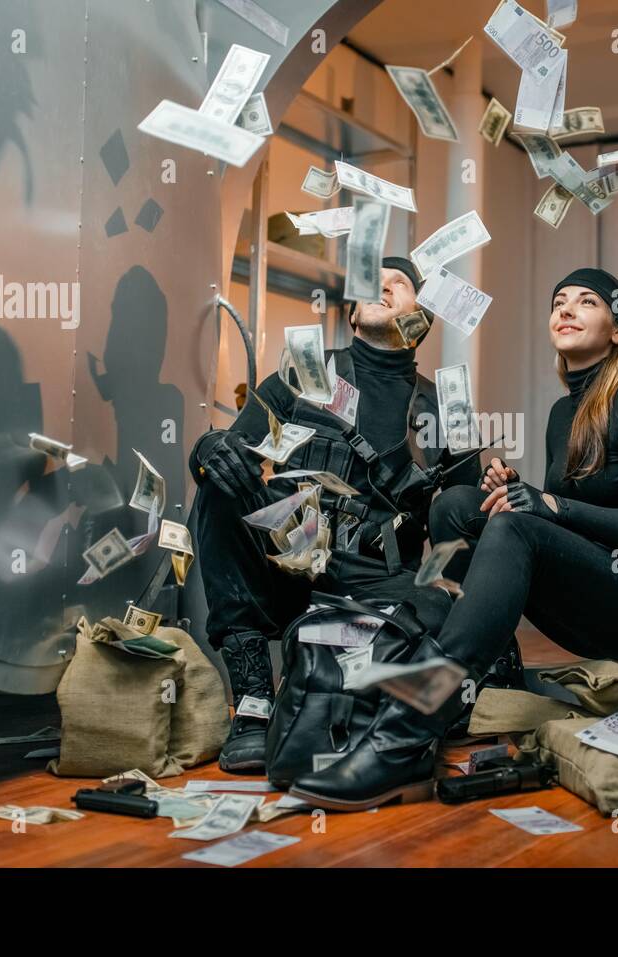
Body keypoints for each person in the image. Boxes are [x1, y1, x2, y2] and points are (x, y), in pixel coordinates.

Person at [290, 267, 618, 810]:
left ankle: (406, 729)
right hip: (598, 597)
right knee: (461, 505)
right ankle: (481, 686)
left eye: (588, 302)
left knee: (516, 524)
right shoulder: (563, 414)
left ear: (617, 330)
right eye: (559, 301)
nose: (568, 309)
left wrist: (547, 504)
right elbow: (569, 525)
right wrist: (519, 492)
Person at [189, 257, 483, 773]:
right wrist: (206, 450)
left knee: (440, 611)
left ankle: (357, 702)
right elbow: (233, 454)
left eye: (400, 284)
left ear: (421, 320)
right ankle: (255, 704)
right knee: (221, 480)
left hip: (379, 583)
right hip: (288, 565)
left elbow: (466, 523)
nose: (383, 288)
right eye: (374, 281)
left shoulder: (445, 409)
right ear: (350, 313)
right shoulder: (304, 372)